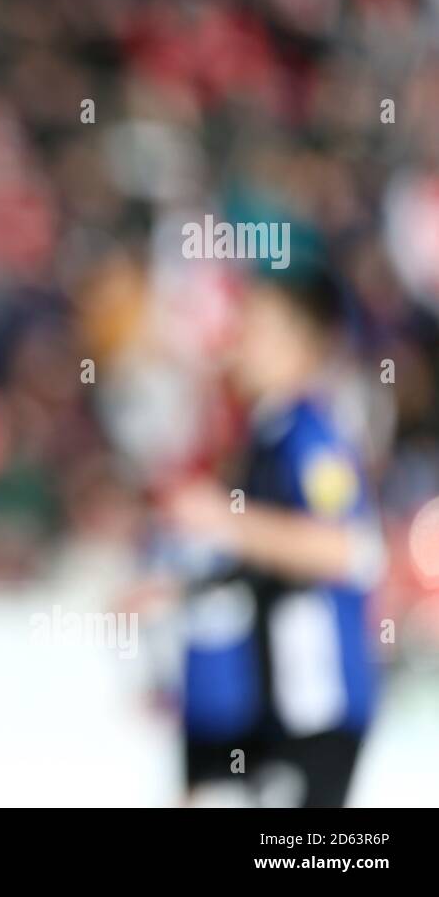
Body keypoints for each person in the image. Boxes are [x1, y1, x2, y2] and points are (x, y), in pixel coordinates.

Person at [163, 259, 383, 807]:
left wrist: (223, 520)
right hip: (273, 703)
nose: (239, 342)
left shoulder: (308, 435)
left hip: (317, 709)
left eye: (257, 328)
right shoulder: (262, 436)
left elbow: (344, 549)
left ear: (303, 345)